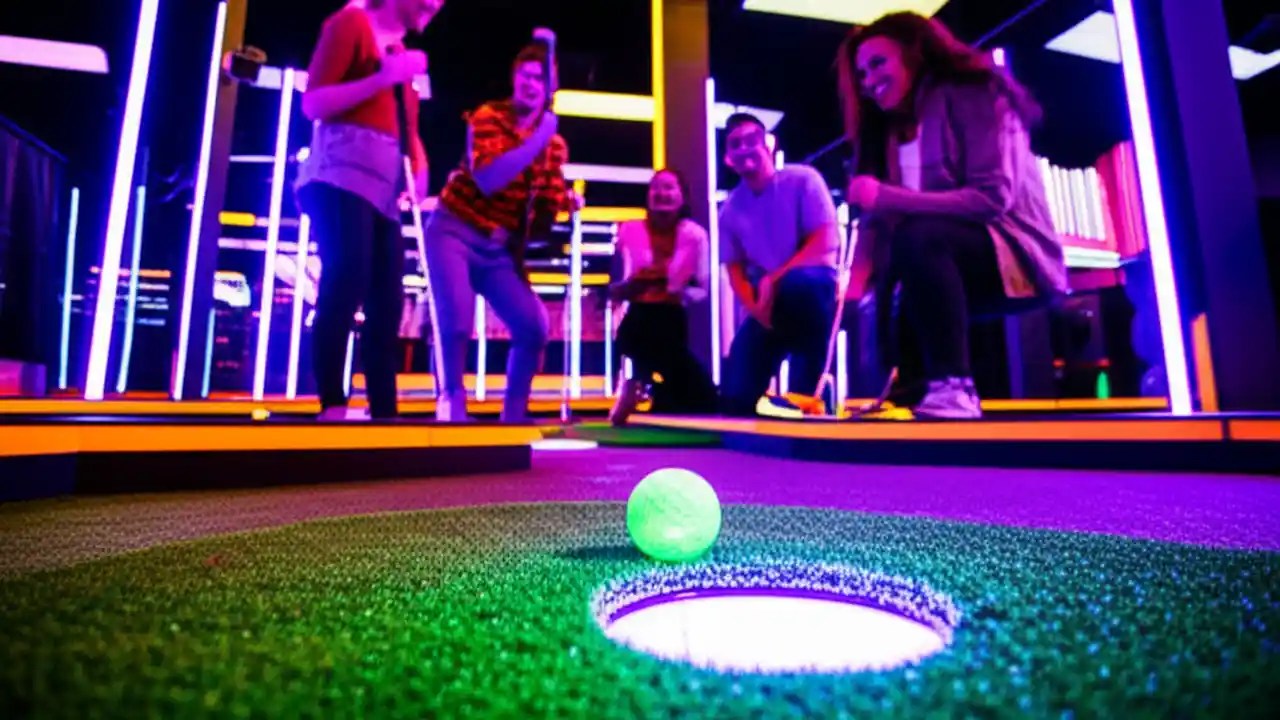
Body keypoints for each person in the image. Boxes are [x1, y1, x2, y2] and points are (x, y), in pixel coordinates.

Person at [837, 12, 1066, 419]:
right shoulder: (888, 131)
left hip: (1012, 254)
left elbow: (991, 199)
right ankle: (911, 393)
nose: (869, 81)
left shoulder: (976, 93)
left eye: (878, 63)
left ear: (914, 53)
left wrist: (885, 196)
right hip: (934, 260)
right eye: (862, 74)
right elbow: (883, 223)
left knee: (919, 236)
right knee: (895, 270)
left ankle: (954, 386)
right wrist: (854, 282)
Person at [295, 0, 443, 421]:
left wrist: (420, 165)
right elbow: (314, 103)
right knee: (347, 278)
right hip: (338, 178)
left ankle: (384, 411)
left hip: (384, 195)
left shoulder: (400, 54)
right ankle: (332, 401)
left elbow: (406, 127)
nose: (435, 6)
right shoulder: (350, 23)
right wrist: (382, 78)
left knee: (387, 301)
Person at [425, 41, 576, 422]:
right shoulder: (488, 116)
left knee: (533, 327)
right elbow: (489, 178)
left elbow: (542, 214)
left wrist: (562, 202)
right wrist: (539, 138)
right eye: (525, 75)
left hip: (498, 250)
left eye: (539, 78)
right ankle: (451, 404)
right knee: (456, 321)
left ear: (550, 88)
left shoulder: (555, 147)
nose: (530, 83)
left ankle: (514, 413)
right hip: (454, 231)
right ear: (514, 78)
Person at [718, 113, 841, 417]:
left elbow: (826, 240)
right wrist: (756, 309)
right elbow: (734, 270)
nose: (744, 148)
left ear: (769, 145)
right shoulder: (730, 210)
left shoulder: (804, 180)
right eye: (735, 144)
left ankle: (808, 395)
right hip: (767, 303)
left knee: (801, 286)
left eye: (752, 140)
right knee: (734, 397)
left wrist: (775, 279)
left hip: (812, 288)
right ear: (728, 159)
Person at [609, 168, 718, 425]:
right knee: (640, 336)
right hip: (638, 316)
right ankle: (636, 384)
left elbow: (702, 289)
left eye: (669, 187)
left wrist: (677, 289)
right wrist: (628, 288)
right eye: (655, 187)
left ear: (682, 196)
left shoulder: (696, 236)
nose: (661, 193)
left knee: (693, 395)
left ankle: (639, 386)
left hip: (672, 316)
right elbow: (616, 282)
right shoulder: (629, 231)